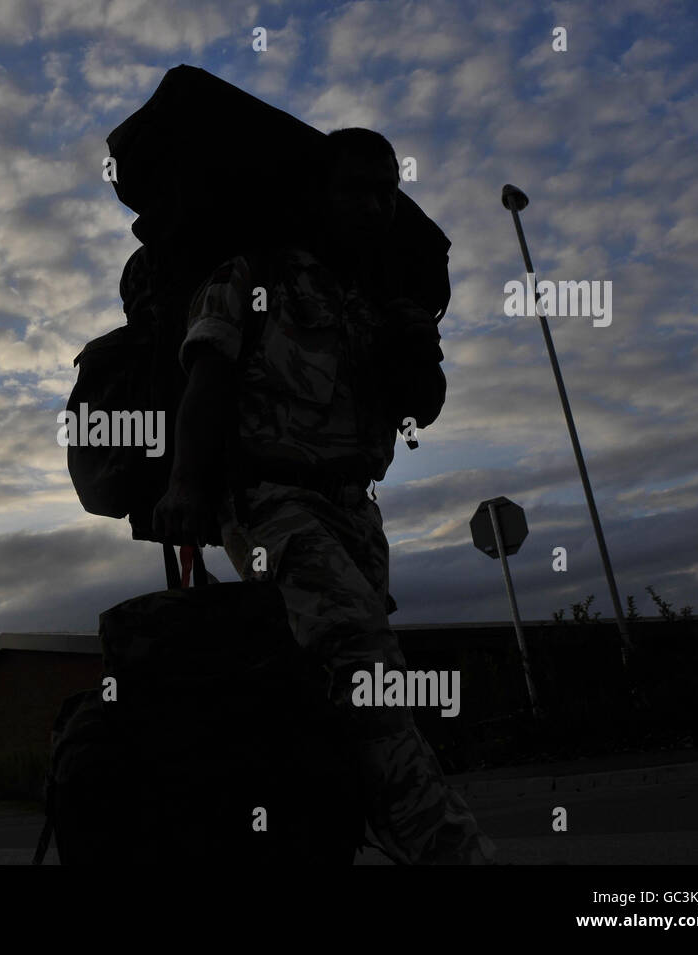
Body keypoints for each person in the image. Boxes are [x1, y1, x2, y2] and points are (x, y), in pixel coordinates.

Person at [153, 127, 497, 864]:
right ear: (319, 195)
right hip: (272, 502)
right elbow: (205, 380)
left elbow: (422, 408)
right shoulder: (250, 275)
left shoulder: (371, 300)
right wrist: (185, 484)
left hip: (356, 513)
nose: (375, 205)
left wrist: (415, 343)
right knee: (367, 677)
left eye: (388, 190)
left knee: (331, 695)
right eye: (356, 188)